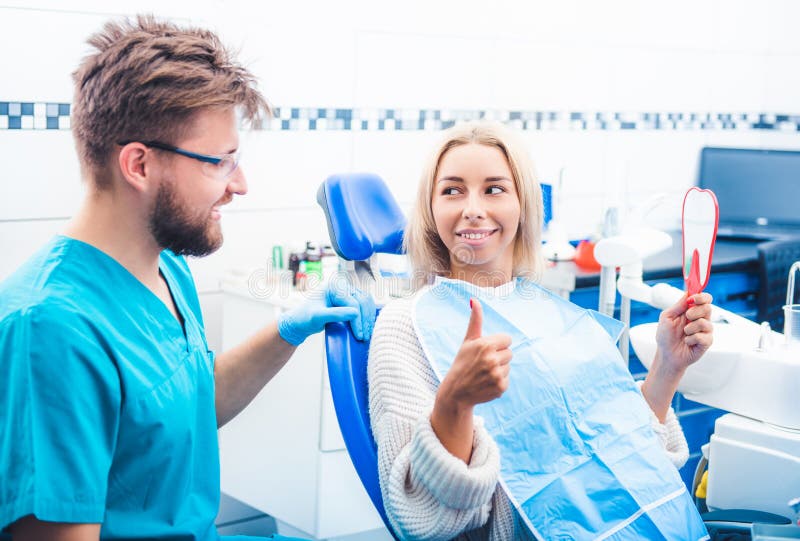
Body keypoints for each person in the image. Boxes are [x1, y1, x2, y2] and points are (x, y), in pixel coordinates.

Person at [0, 15, 375, 541]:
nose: (239, 185)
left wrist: (288, 330)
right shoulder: (51, 329)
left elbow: (186, 404)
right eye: (220, 162)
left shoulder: (166, 266)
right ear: (138, 165)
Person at [368, 120, 714, 540]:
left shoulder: (551, 313)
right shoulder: (405, 325)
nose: (472, 208)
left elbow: (634, 454)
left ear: (523, 206)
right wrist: (455, 403)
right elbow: (419, 517)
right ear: (430, 209)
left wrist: (667, 367)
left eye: (494, 189)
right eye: (452, 190)